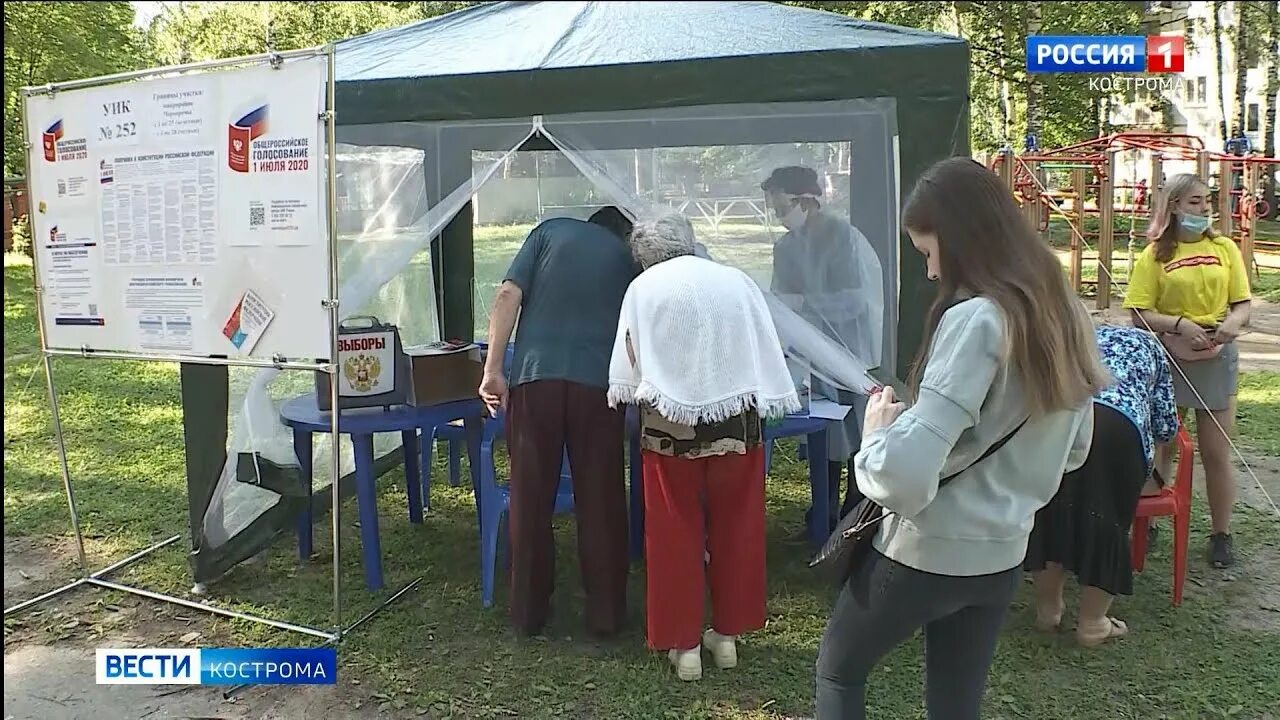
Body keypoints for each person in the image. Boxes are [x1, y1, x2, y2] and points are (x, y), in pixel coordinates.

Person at [815, 157, 1109, 720]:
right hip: (1001, 556)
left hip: (926, 552)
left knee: (839, 669)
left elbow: (901, 479)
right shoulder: (1067, 313)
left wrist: (875, 437)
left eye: (928, 252)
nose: (929, 273)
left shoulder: (978, 319)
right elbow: (1076, 449)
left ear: (960, 239)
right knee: (956, 704)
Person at [606, 213, 800, 682]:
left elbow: (629, 363)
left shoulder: (643, 288)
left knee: (674, 532)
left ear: (644, 257)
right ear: (689, 243)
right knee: (739, 527)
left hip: (670, 429)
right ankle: (728, 636)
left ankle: (685, 645)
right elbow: (764, 345)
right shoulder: (736, 281)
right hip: (736, 423)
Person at [477, 206, 638, 638]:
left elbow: (508, 295)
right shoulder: (628, 257)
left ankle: (528, 612)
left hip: (536, 379)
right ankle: (606, 615)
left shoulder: (546, 232)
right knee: (601, 499)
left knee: (530, 498)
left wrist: (493, 369)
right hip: (598, 387)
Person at [1122, 172, 1253, 569]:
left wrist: (1232, 324)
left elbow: (1242, 303)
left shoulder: (1225, 248)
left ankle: (1220, 534)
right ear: (1174, 206)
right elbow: (1138, 313)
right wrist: (1179, 327)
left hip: (1216, 356)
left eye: (1207, 201)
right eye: (1195, 202)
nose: (1205, 209)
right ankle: (1152, 521)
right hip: (1172, 357)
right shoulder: (1155, 255)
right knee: (1161, 447)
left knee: (1216, 452)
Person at [1023, 324, 1180, 647]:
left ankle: (1048, 610)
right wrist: (1160, 472)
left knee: (1052, 511)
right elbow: (1166, 423)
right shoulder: (1151, 347)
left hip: (1065, 417)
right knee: (1106, 517)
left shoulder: (1075, 335)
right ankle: (1093, 623)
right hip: (1120, 426)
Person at [762, 166, 884, 536]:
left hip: (854, 348)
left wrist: (807, 304)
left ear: (806, 200)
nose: (778, 216)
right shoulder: (786, 246)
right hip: (813, 352)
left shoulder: (845, 237)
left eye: (782, 206)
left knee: (858, 432)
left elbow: (857, 299)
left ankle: (856, 509)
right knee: (825, 430)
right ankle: (823, 510)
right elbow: (781, 296)